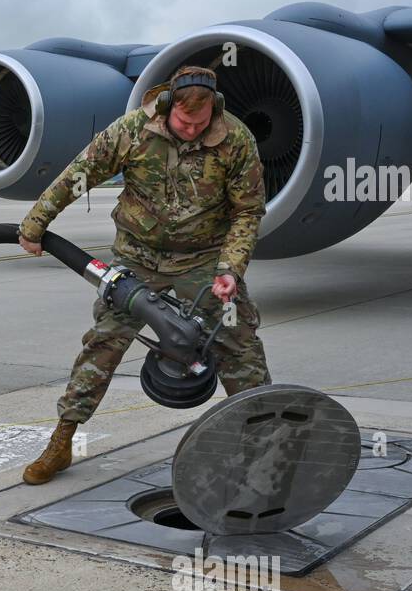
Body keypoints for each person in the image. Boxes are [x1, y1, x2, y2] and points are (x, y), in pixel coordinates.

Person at [17, 65, 272, 484]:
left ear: (214, 109)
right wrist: (36, 222)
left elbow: (248, 211)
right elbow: (81, 172)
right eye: (184, 122)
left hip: (203, 259)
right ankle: (62, 441)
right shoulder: (134, 129)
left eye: (201, 123)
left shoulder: (235, 139)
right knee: (103, 343)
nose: (192, 130)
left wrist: (230, 269)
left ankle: (263, 442)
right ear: (168, 106)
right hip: (137, 257)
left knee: (238, 341)